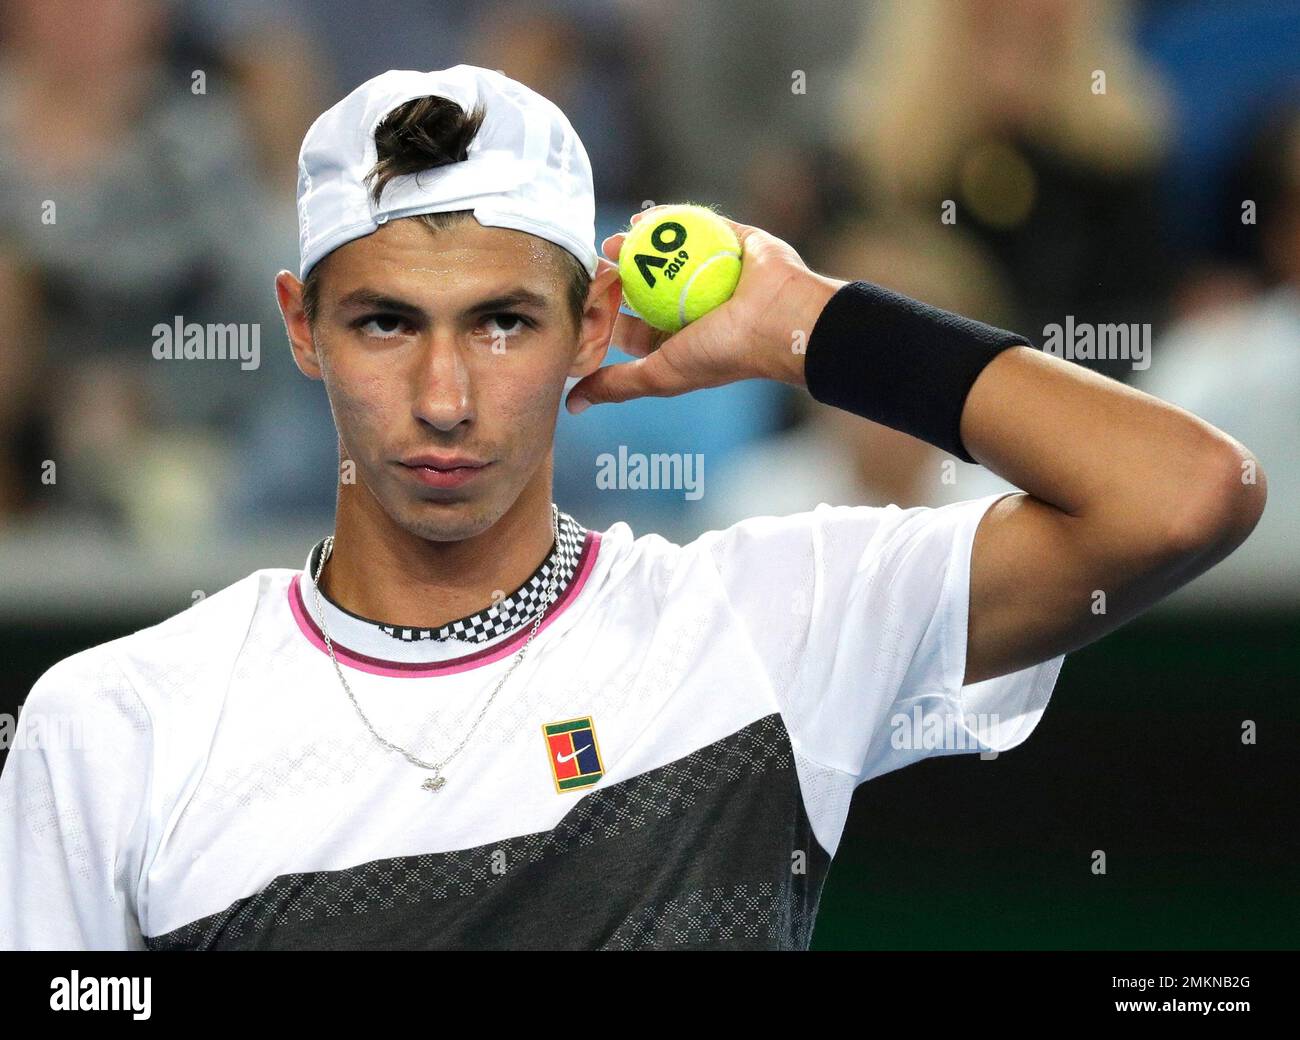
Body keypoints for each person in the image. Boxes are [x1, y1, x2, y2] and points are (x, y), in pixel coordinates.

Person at [0, 65, 1266, 951]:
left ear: (594, 325)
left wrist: (808, 325)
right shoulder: (111, 722)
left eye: (503, 323)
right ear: (301, 328)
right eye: (387, 322)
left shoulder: (772, 620)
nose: (444, 398)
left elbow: (1184, 493)